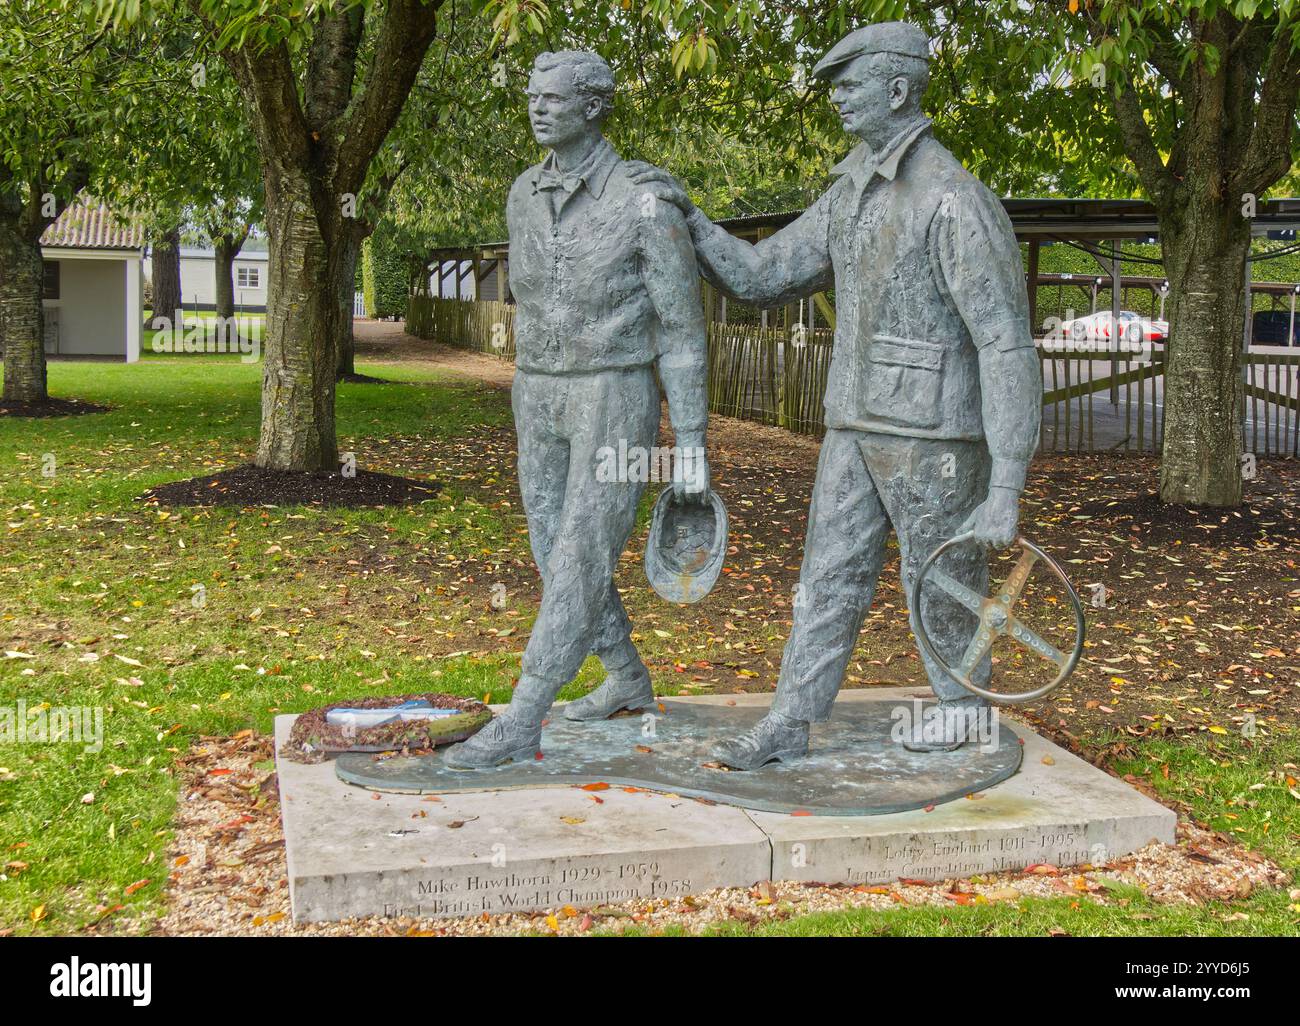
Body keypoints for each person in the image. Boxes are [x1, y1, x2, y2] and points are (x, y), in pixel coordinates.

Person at [632, 22, 1041, 769]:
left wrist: (1007, 480)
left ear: (896, 88)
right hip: (853, 427)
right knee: (826, 576)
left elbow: (1006, 344)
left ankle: (963, 710)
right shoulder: (850, 190)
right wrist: (691, 222)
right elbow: (762, 275)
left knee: (943, 581)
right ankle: (791, 718)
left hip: (935, 439)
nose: (838, 99)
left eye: (850, 85)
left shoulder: (954, 200)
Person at [445, 50, 711, 768]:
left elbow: (682, 329)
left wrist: (690, 438)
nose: (536, 108)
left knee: (583, 549)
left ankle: (526, 709)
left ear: (594, 106)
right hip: (537, 389)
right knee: (549, 545)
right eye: (532, 96)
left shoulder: (644, 199)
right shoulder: (521, 194)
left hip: (612, 393)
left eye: (553, 98)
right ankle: (626, 677)